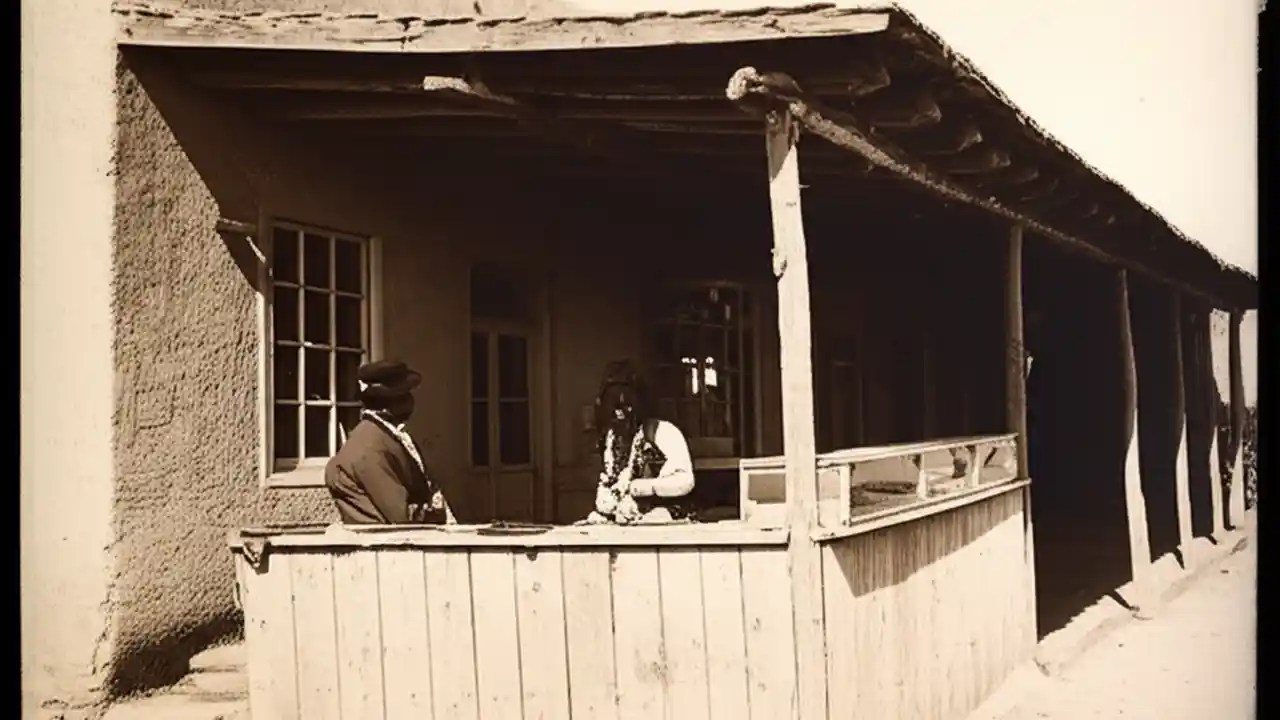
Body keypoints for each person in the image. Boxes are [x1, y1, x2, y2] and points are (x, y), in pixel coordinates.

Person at [325, 359, 450, 524]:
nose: (411, 401)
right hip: (385, 543)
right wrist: (437, 513)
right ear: (390, 402)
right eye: (405, 395)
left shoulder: (386, 435)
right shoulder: (370, 447)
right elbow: (401, 515)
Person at [591, 361, 696, 524]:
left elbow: (685, 481)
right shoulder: (611, 441)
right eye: (613, 405)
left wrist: (644, 487)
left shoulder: (663, 432)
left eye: (627, 405)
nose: (620, 413)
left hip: (667, 518)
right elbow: (608, 481)